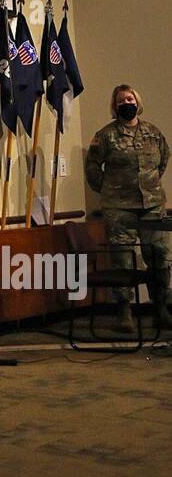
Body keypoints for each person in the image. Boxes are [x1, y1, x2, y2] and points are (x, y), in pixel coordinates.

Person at [85, 84, 171, 337]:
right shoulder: (105, 136)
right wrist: (110, 191)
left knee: (159, 255)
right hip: (119, 208)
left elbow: (163, 160)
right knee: (122, 259)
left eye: (130, 99)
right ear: (115, 106)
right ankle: (124, 311)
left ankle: (161, 309)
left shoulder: (153, 133)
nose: (126, 104)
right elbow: (92, 168)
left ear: (137, 102)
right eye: (121, 101)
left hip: (152, 206)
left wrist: (149, 186)